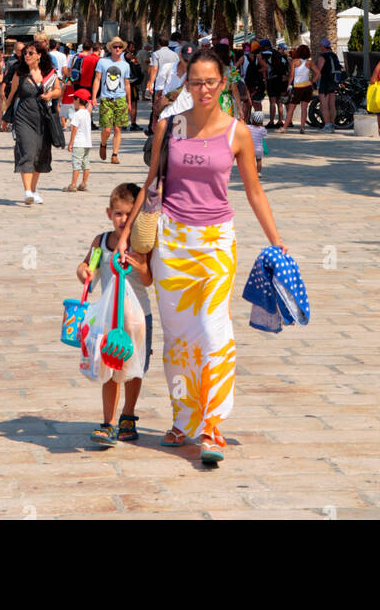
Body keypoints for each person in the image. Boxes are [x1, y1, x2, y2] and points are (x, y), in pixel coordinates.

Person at [118, 47, 287, 465]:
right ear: (185, 83)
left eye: (211, 81)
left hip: (216, 244)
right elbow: (151, 178)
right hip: (172, 244)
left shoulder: (238, 132)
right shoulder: (170, 126)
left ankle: (212, 426)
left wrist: (276, 239)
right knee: (178, 339)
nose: (204, 89)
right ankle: (183, 421)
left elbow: (253, 190)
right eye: (196, 82)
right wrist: (125, 238)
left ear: (223, 82)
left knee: (213, 333)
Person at [77, 183, 153, 445]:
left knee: (135, 369)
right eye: (118, 214)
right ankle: (108, 421)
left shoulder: (141, 244)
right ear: (109, 213)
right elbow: (90, 268)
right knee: (109, 367)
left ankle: (128, 415)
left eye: (128, 214)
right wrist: (83, 271)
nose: (122, 220)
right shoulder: (101, 241)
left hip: (139, 318)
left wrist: (141, 265)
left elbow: (148, 281)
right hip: (109, 320)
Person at [3, 43, 61, 204]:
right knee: (27, 151)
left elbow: (59, 90)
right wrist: (5, 116)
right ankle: (27, 191)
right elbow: (12, 94)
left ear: (39, 55)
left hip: (42, 118)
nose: (27, 55)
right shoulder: (19, 73)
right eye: (25, 53)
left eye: (31, 53)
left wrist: (50, 95)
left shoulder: (49, 74)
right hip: (23, 117)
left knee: (40, 154)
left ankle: (34, 190)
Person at [93, 37, 132, 163]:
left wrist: (129, 102)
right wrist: (94, 97)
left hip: (120, 99)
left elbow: (127, 84)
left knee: (117, 128)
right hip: (106, 99)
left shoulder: (125, 65)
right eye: (115, 47)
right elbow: (97, 79)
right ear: (110, 48)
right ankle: (103, 143)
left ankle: (115, 154)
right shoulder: (103, 62)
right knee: (107, 129)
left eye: (120, 47)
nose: (117, 49)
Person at [63, 88, 93, 192]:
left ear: (78, 100)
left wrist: (71, 143)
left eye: (74, 99)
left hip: (79, 143)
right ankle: (84, 183)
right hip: (87, 143)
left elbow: (74, 129)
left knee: (76, 164)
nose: (73, 101)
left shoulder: (77, 114)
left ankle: (73, 184)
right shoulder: (87, 114)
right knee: (86, 163)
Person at [283, 45, 316, 133]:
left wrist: (289, 86)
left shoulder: (295, 61)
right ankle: (302, 128)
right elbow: (318, 73)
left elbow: (291, 76)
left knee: (291, 108)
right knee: (304, 108)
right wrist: (312, 81)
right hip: (307, 87)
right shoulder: (310, 62)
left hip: (297, 87)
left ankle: (284, 128)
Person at [315, 39, 342, 134]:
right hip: (333, 82)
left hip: (324, 82)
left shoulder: (322, 57)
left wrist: (313, 81)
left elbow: (318, 71)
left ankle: (327, 125)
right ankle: (332, 124)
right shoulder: (334, 55)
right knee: (332, 104)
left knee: (324, 105)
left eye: (320, 46)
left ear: (323, 46)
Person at [266, 42, 290, 129]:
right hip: (283, 81)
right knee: (280, 103)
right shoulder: (285, 59)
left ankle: (271, 121)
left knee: (272, 102)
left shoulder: (273, 56)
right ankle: (280, 121)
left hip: (273, 80)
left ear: (279, 49)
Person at [125, 43, 144, 129]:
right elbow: (137, 63)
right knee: (133, 103)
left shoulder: (120, 56)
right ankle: (133, 123)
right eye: (132, 46)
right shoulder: (129, 55)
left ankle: (123, 123)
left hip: (124, 82)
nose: (134, 48)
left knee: (124, 103)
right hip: (131, 83)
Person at [249, 107, 267, 175]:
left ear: (252, 120)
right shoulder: (262, 129)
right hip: (259, 149)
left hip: (250, 149)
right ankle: (258, 172)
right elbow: (265, 134)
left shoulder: (249, 127)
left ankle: (251, 172)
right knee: (259, 160)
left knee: (250, 161)